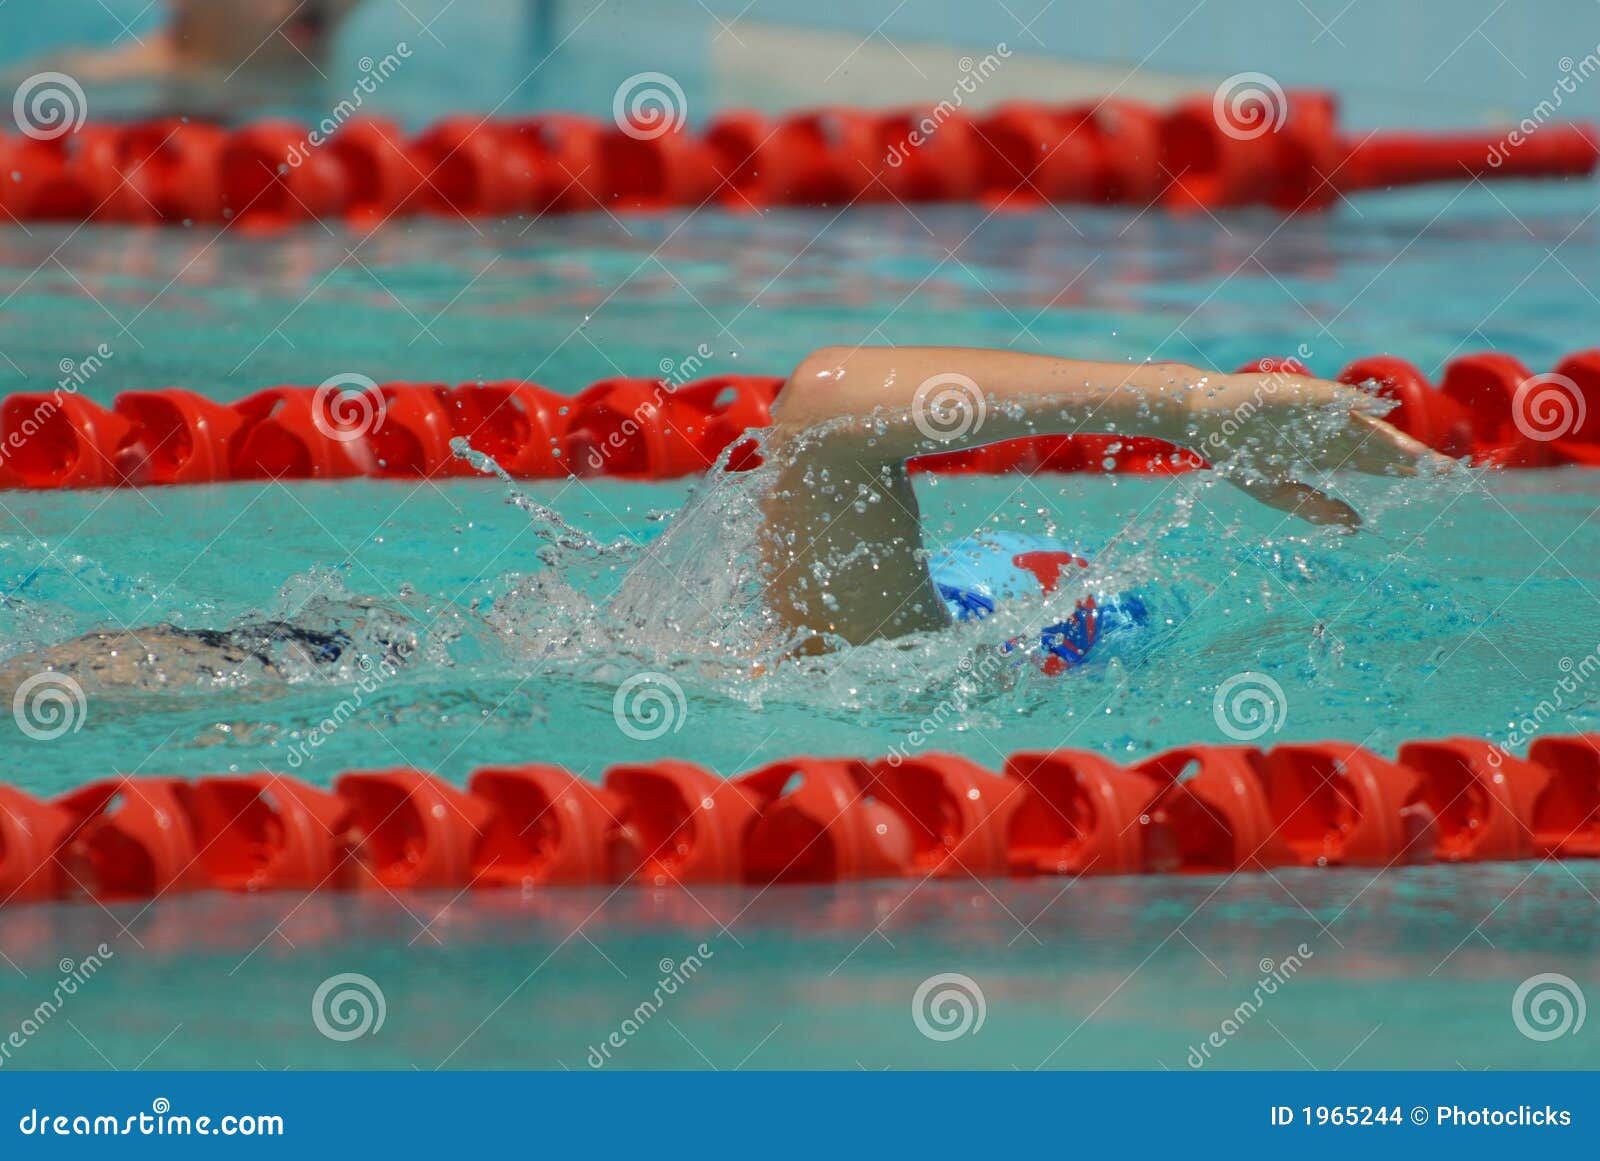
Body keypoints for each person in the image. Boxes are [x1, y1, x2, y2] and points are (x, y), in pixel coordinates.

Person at [0, 347, 1429, 690]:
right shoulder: (892, 660)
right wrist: (1195, 408)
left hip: (483, 668)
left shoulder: (881, 655)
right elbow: (829, 406)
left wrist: (1191, 405)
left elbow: (830, 409)